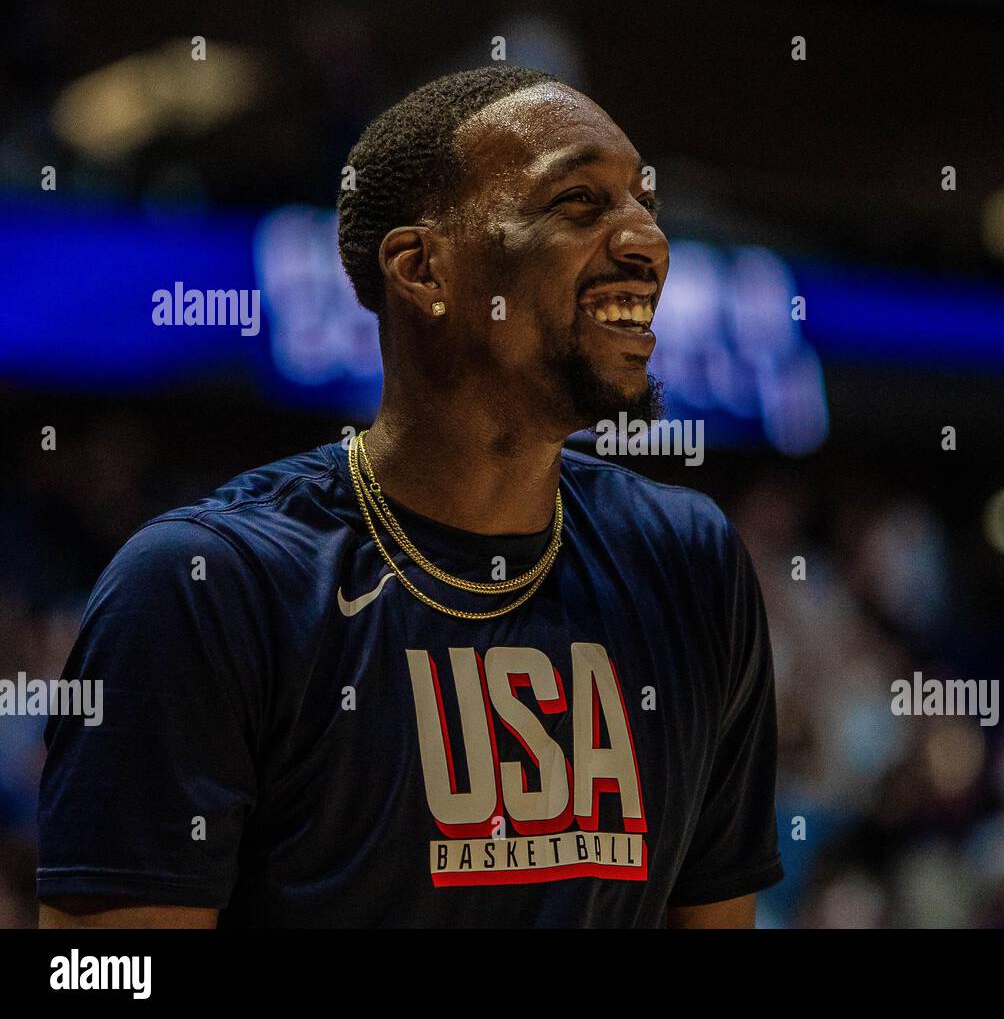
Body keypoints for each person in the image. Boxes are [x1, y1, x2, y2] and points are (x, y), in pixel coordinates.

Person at [37, 65, 783, 928]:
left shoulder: (689, 563)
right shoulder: (206, 586)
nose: (647, 240)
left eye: (644, 202)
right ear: (422, 269)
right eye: (580, 203)